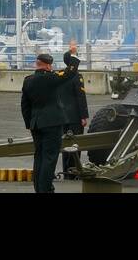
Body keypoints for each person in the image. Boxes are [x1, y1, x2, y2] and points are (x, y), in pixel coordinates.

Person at [20, 53, 77, 193]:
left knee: (39, 157)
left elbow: (25, 106)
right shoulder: (51, 78)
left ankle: (39, 188)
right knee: (49, 158)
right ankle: (45, 189)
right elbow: (69, 73)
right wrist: (74, 55)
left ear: (37, 64)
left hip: (36, 124)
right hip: (52, 123)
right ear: (48, 65)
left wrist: (30, 124)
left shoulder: (28, 80)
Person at [59, 39, 89, 179]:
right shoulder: (77, 77)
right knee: (76, 144)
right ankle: (74, 171)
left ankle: (66, 171)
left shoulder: (59, 75)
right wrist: (84, 116)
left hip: (62, 116)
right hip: (75, 117)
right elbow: (80, 97)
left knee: (65, 145)